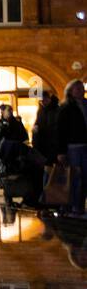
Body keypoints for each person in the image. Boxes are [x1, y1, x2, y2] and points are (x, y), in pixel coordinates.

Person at [55, 79, 87, 215]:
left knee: (84, 178)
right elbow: (60, 131)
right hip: (73, 147)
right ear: (70, 91)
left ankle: (80, 205)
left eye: (82, 88)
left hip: (85, 146)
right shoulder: (66, 107)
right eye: (78, 88)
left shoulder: (85, 104)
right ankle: (72, 205)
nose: (81, 91)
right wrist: (61, 151)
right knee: (74, 177)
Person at [32, 92, 60, 163]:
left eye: (44, 100)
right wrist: (35, 128)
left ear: (49, 99)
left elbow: (57, 126)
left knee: (53, 164)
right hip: (42, 143)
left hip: (52, 143)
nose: (42, 102)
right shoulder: (41, 110)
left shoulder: (56, 109)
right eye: (40, 101)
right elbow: (38, 122)